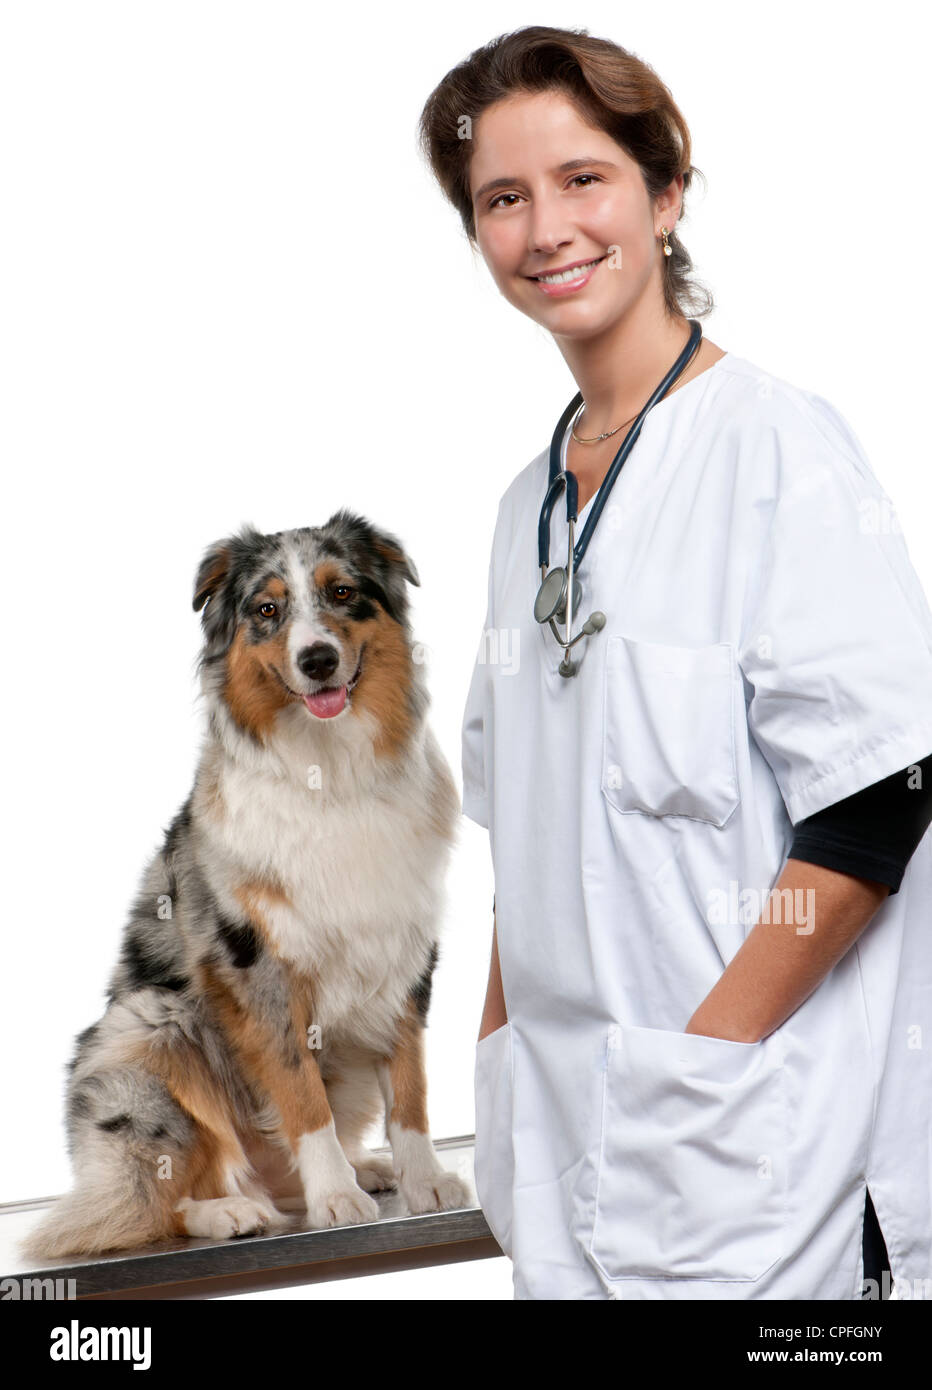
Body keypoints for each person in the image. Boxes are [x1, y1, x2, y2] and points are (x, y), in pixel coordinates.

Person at [418, 25, 932, 1300]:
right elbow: (522, 836)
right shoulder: (518, 511)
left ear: (664, 191)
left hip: (757, 1168)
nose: (547, 229)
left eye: (583, 179)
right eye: (502, 198)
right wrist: (497, 1049)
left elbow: (875, 805)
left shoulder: (776, 449)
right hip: (573, 1164)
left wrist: (703, 1068)